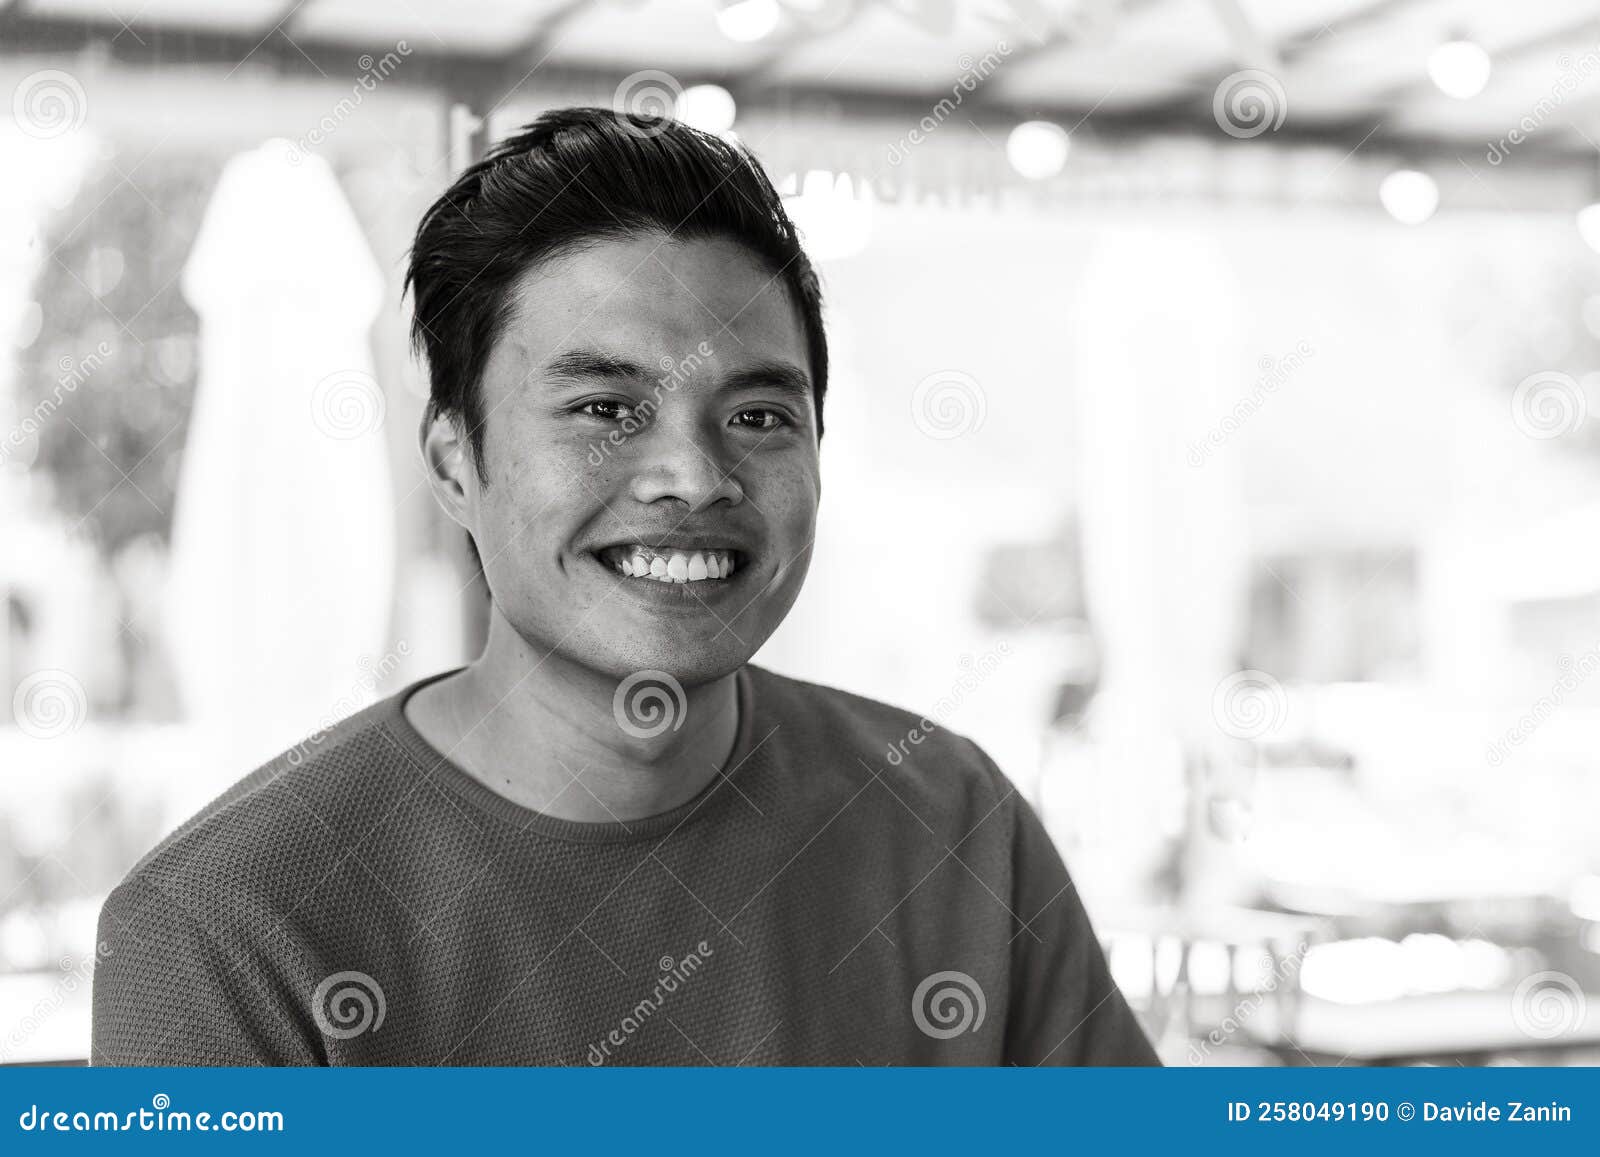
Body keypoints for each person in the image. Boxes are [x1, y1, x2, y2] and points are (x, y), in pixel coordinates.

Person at [91, 107, 1157, 1066]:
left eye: (758, 415)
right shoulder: (224, 927)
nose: (693, 476)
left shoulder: (951, 821)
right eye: (604, 407)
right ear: (455, 462)